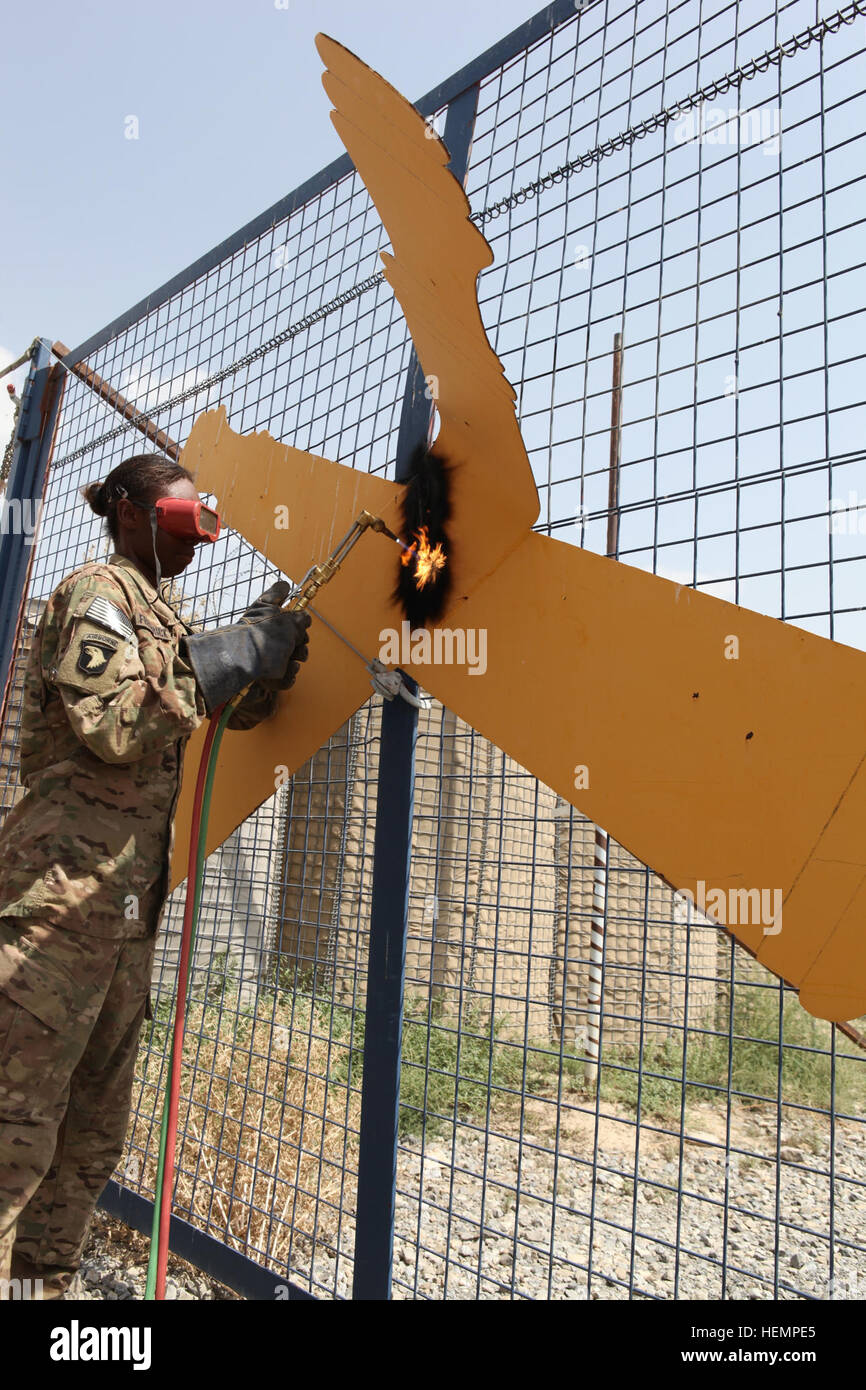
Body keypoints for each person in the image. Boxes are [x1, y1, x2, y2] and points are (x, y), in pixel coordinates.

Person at [0, 451, 310, 1299]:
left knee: (88, 1141)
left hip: (122, 919)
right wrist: (229, 654)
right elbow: (115, 723)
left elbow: (214, 703)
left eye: (206, 528)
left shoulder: (164, 616)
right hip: (56, 912)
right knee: (15, 1133)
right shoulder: (96, 594)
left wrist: (261, 650)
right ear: (131, 514)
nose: (197, 543)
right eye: (183, 523)